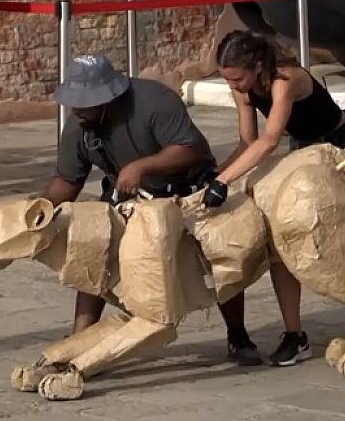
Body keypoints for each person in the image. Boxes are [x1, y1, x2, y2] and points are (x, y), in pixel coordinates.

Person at [43, 54, 262, 367]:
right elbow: (66, 180)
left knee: (219, 251)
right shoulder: (80, 125)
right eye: (75, 102)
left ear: (108, 98)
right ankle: (79, 337)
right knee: (93, 248)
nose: (77, 110)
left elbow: (191, 148)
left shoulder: (155, 100)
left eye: (84, 103)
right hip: (131, 200)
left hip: (187, 190)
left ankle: (238, 335)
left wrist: (141, 166)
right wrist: (35, 212)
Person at [202, 30, 345, 366]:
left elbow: (269, 141)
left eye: (237, 79)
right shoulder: (243, 89)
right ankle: (294, 334)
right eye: (227, 81)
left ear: (258, 66)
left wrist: (224, 181)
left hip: (342, 147)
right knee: (280, 236)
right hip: (304, 152)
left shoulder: (285, 78)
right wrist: (213, 179)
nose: (234, 87)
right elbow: (248, 142)